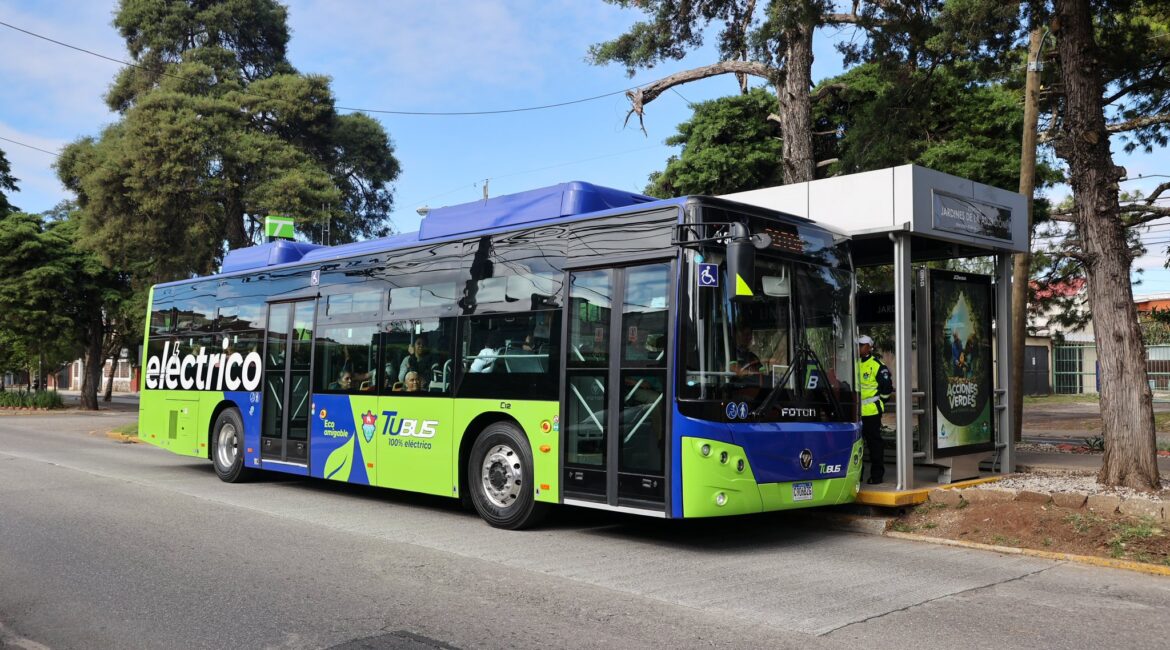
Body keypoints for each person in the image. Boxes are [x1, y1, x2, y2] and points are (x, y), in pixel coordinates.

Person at [857, 334, 893, 485]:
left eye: (862, 345)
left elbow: (887, 388)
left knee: (874, 446)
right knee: (856, 448)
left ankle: (877, 476)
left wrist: (880, 403)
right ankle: (856, 477)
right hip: (855, 413)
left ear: (869, 347)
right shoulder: (853, 363)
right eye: (858, 344)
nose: (859, 347)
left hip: (871, 413)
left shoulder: (877, 365)